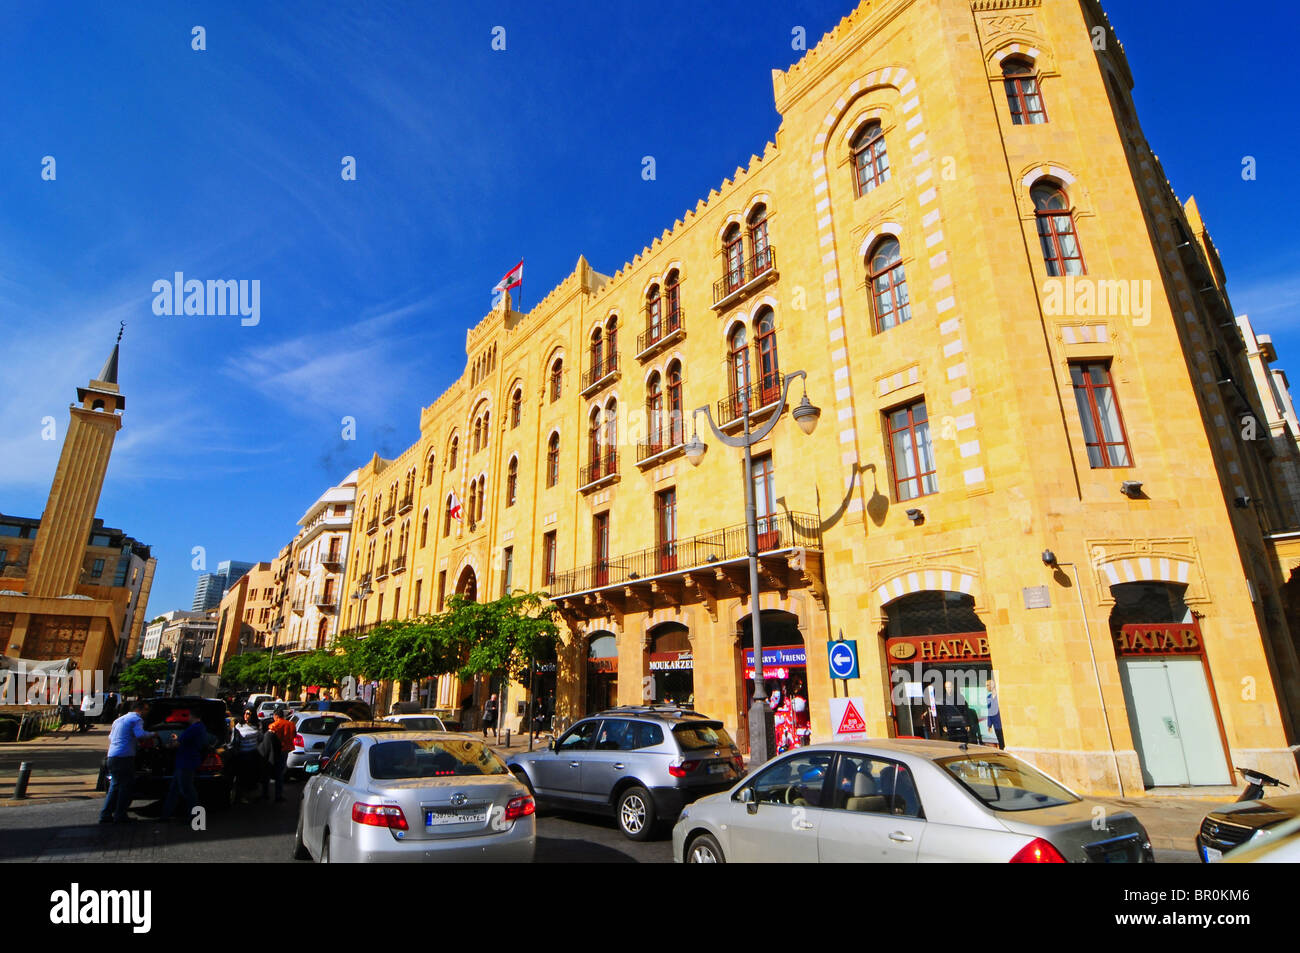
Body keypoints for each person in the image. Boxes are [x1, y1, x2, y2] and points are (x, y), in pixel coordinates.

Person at [100, 699, 157, 824]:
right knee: (126, 786)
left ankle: (106, 814)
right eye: (146, 709)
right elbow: (140, 734)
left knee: (114, 786)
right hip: (125, 757)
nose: (147, 712)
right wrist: (153, 734)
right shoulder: (136, 719)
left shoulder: (118, 720)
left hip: (112, 755)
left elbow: (111, 737)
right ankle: (120, 814)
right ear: (139, 709)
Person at [161, 709, 206, 823]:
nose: (188, 718)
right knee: (175, 790)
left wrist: (168, 745)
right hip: (185, 761)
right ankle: (165, 815)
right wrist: (177, 739)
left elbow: (178, 744)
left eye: (189, 716)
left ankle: (195, 817)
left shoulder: (193, 729)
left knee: (187, 791)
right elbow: (184, 741)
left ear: (192, 716)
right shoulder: (200, 728)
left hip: (186, 762)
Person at [230, 708, 261, 803]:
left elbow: (260, 738)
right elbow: (234, 741)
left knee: (250, 776)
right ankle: (239, 796)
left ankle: (247, 795)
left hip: (253, 754)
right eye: (245, 713)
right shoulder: (239, 726)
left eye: (248, 713)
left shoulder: (257, 726)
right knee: (241, 777)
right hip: (242, 755)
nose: (246, 715)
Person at [267, 710, 295, 801]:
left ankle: (269, 793)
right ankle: (278, 794)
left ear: (276, 716)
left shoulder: (274, 725)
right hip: (286, 750)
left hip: (276, 751)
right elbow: (294, 735)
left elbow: (269, 737)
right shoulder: (291, 724)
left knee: (272, 771)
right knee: (280, 771)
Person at [256, 719, 282, 802]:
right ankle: (277, 796)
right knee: (277, 778)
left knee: (265, 780)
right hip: (275, 760)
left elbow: (264, 750)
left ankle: (265, 795)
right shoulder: (274, 735)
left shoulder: (267, 736)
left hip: (267, 761)